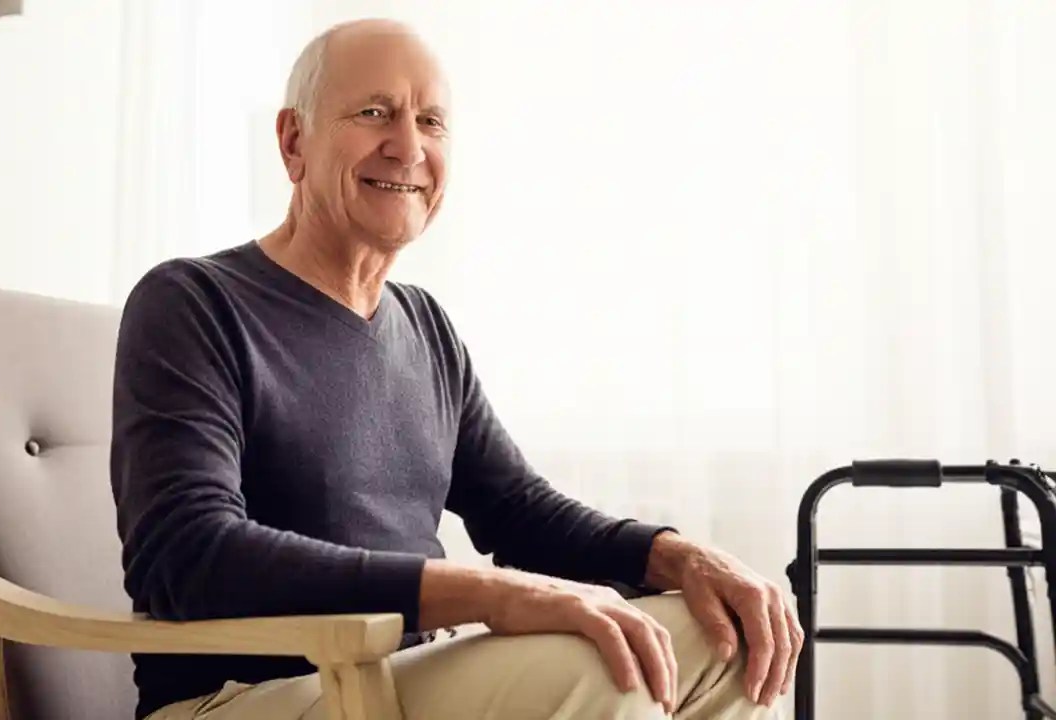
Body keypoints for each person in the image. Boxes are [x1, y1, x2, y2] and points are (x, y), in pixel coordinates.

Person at [110, 18, 800, 720]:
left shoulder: (425, 328)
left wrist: (680, 557)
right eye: (374, 112)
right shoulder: (192, 303)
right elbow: (186, 554)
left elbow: (519, 511)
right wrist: (489, 595)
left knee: (727, 635)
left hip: (399, 676)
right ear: (294, 141)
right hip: (242, 698)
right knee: (613, 666)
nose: (408, 146)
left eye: (431, 121)